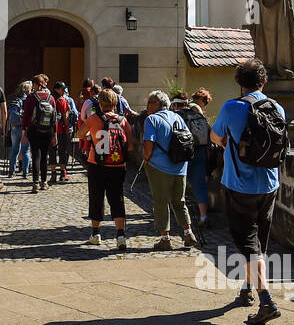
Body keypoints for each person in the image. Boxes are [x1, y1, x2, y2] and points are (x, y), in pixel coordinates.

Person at [211, 59, 286, 325]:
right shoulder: (276, 107)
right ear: (263, 81)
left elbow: (215, 137)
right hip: (270, 184)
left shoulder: (232, 107)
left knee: (247, 244)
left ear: (239, 83)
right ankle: (246, 289)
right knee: (259, 242)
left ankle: (265, 298)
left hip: (239, 185)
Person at [79, 88, 135, 249]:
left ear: (100, 103)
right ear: (115, 103)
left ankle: (96, 233)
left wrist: (92, 134)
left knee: (97, 197)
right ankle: (120, 236)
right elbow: (130, 146)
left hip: (97, 164)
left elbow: (80, 134)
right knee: (117, 198)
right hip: (117, 166)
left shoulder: (93, 118)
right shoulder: (122, 120)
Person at [143, 91, 197, 250]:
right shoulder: (177, 117)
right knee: (179, 201)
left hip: (159, 166)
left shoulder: (151, 119)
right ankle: (188, 233)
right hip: (180, 166)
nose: (147, 106)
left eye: (150, 103)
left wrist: (146, 160)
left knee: (161, 201)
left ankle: (165, 239)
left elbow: (148, 144)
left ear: (157, 104)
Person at [183, 88, 214, 229]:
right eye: (205, 102)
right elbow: (206, 130)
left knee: (179, 182)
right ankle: (203, 216)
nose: (205, 105)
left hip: (184, 149)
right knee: (200, 183)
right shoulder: (196, 108)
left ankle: (182, 215)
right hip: (199, 149)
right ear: (202, 99)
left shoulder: (183, 107)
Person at [22, 74, 57, 193]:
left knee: (36, 155)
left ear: (35, 85)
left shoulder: (31, 98)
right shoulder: (51, 98)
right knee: (44, 156)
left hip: (33, 130)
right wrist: (55, 134)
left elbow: (26, 116)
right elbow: (55, 117)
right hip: (48, 131)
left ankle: (35, 183)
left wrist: (24, 131)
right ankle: (44, 182)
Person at [49, 81, 75, 184]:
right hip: (61, 130)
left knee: (52, 152)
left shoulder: (50, 99)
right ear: (57, 89)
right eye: (62, 89)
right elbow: (65, 116)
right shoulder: (61, 100)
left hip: (50, 130)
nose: (64, 91)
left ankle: (53, 174)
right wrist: (68, 130)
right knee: (62, 151)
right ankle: (63, 173)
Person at [6, 80, 33, 179]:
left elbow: (10, 114)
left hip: (15, 127)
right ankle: (25, 172)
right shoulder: (29, 100)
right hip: (25, 128)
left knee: (14, 149)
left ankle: (11, 171)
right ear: (26, 91)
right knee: (26, 150)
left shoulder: (15, 100)